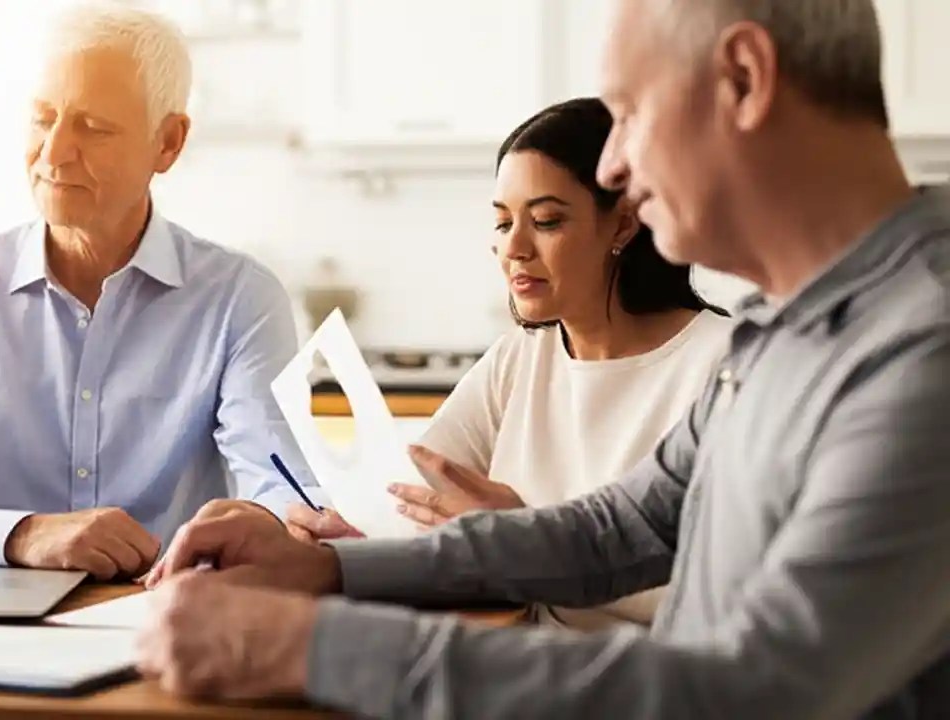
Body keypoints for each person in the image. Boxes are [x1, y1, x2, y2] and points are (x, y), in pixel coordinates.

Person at [137, 0, 950, 717]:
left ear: (743, 78)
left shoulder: (923, 353)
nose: (613, 166)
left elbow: (760, 690)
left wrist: (311, 646)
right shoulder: (784, 322)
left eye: (630, 111)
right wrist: (324, 570)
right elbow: (619, 528)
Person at [0, 1, 314, 580]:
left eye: (93, 127)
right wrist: (20, 534)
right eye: (43, 118)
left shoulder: (239, 301)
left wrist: (257, 527)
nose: (53, 154)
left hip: (163, 621)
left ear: (168, 143)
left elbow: (286, 496)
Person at [285, 97, 733, 631]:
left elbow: (730, 592)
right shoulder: (519, 358)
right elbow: (412, 507)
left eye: (545, 220)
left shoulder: (724, 365)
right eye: (502, 224)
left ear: (623, 225)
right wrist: (349, 545)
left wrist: (524, 545)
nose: (514, 248)